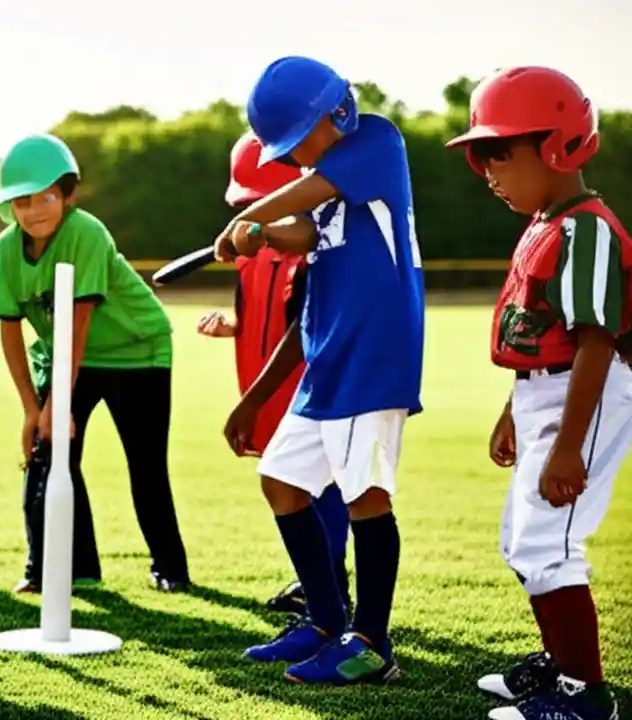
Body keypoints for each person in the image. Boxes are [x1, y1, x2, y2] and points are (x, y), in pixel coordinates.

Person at [217, 56, 423, 685]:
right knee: (281, 479)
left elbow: (307, 195)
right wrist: (264, 235)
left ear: (336, 112)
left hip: (372, 352)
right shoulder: (323, 174)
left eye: (298, 140)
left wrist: (248, 220)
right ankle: (326, 620)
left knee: (365, 495)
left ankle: (371, 644)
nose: (295, 156)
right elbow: (308, 229)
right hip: (329, 357)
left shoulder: (375, 141)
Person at [447, 66, 632, 720]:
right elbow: (540, 337)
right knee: (522, 539)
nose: (488, 170)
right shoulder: (547, 221)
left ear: (560, 146)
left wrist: (568, 450)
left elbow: (594, 341)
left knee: (548, 543)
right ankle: (561, 666)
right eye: (480, 156)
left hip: (587, 392)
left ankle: (585, 698)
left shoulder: (587, 229)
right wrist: (514, 411)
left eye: (500, 153)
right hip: (547, 395)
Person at [0, 133, 191, 594]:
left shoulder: (86, 232)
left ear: (68, 194)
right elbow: (9, 330)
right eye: (22, 202)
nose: (34, 211)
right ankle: (60, 568)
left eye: (46, 198)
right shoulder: (5, 249)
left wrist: (58, 402)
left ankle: (170, 568)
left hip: (137, 351)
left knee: (145, 464)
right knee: (46, 454)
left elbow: (78, 326)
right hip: (66, 359)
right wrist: (31, 409)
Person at [199, 132, 352, 617]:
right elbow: (263, 315)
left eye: (257, 203)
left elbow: (303, 331)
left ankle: (329, 588)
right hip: (267, 390)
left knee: (320, 487)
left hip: (306, 393)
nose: (250, 215)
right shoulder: (252, 258)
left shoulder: (314, 257)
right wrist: (233, 327)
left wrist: (252, 402)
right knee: (292, 487)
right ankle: (316, 584)